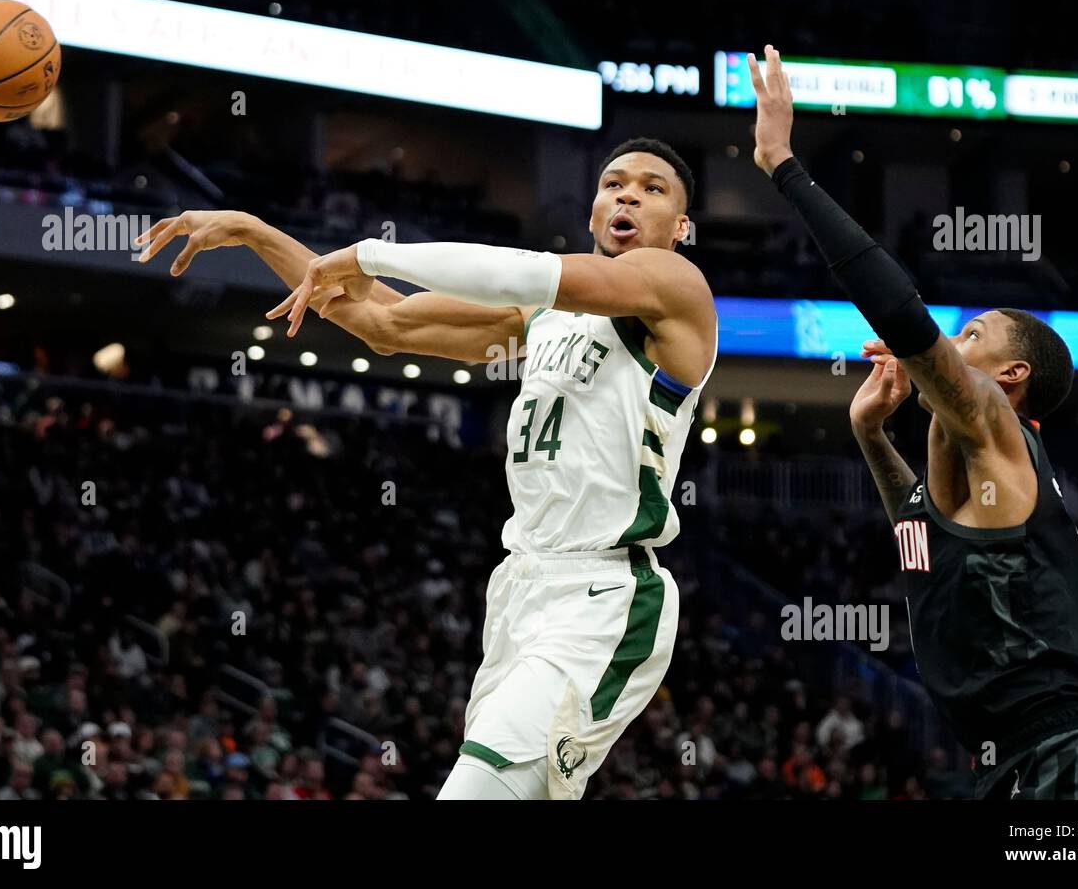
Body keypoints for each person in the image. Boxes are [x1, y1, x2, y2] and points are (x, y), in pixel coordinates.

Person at [134, 137, 718, 799]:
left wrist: (368, 252)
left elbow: (525, 271)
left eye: (653, 188)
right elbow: (382, 320)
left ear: (681, 227)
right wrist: (253, 231)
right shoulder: (543, 318)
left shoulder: (674, 287)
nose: (629, 195)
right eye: (614, 184)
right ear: (592, 211)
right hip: (520, 594)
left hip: (604, 596)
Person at [749, 44, 1078, 800]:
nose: (947, 340)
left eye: (971, 335)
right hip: (1008, 763)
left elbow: (898, 310)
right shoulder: (966, 458)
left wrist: (784, 166)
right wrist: (870, 435)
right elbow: (918, 532)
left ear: (1011, 376)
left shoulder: (997, 423)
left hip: (1069, 760)